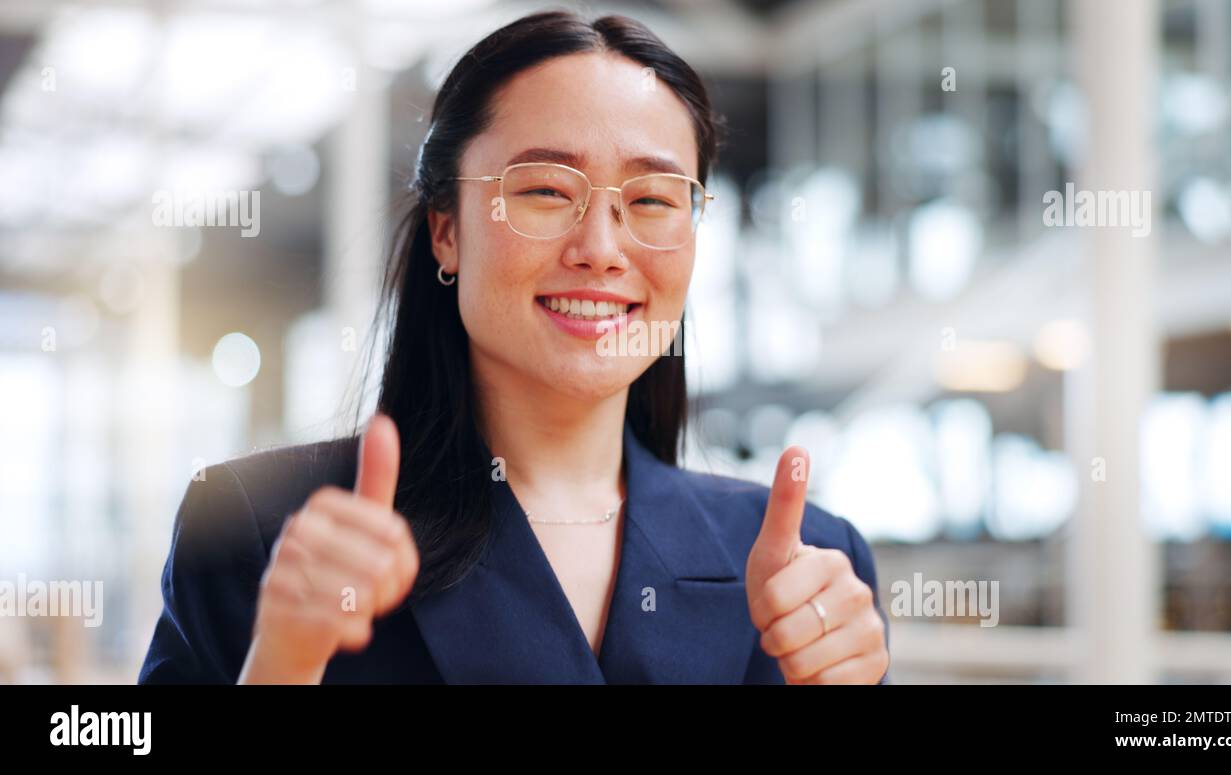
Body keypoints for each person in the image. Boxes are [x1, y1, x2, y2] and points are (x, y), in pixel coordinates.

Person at [138, 9, 890, 685]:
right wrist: (278, 668)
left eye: (654, 201)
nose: (601, 249)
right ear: (447, 229)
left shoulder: (807, 571)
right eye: (546, 191)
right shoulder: (260, 531)